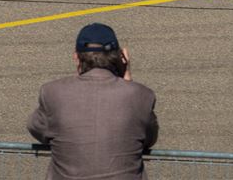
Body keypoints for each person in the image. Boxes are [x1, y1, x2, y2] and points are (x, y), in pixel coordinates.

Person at [27, 23, 158, 179]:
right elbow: (148, 138)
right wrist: (127, 80)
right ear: (119, 58)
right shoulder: (142, 95)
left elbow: (36, 128)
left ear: (76, 57)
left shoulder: (52, 92)